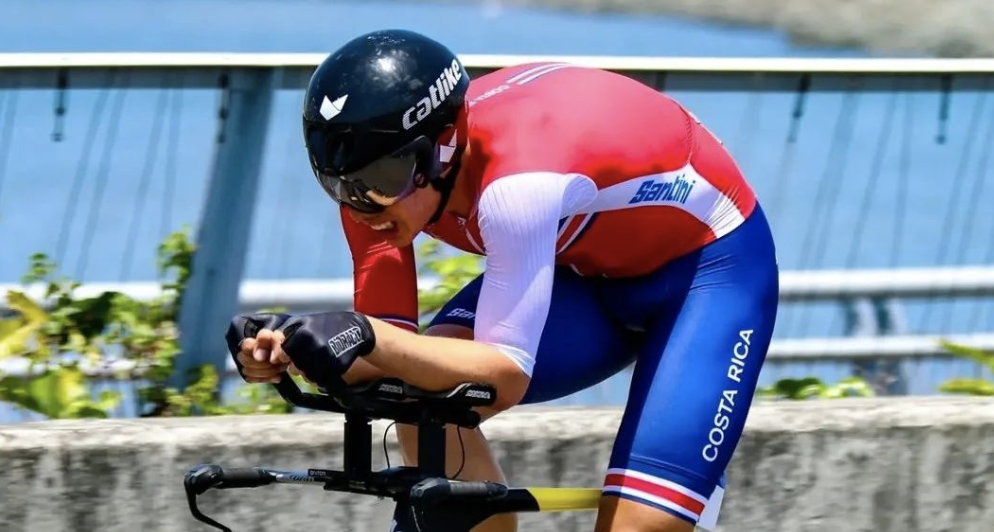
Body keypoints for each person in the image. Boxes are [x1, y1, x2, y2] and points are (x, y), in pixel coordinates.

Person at [226, 28, 779, 532]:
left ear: (443, 149)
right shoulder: (376, 187)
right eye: (337, 184)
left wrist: (363, 335)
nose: (359, 204)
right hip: (584, 273)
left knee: (637, 529)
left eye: (381, 179)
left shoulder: (516, 188)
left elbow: (503, 377)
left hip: (709, 276)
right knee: (417, 404)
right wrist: (292, 343)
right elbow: (382, 358)